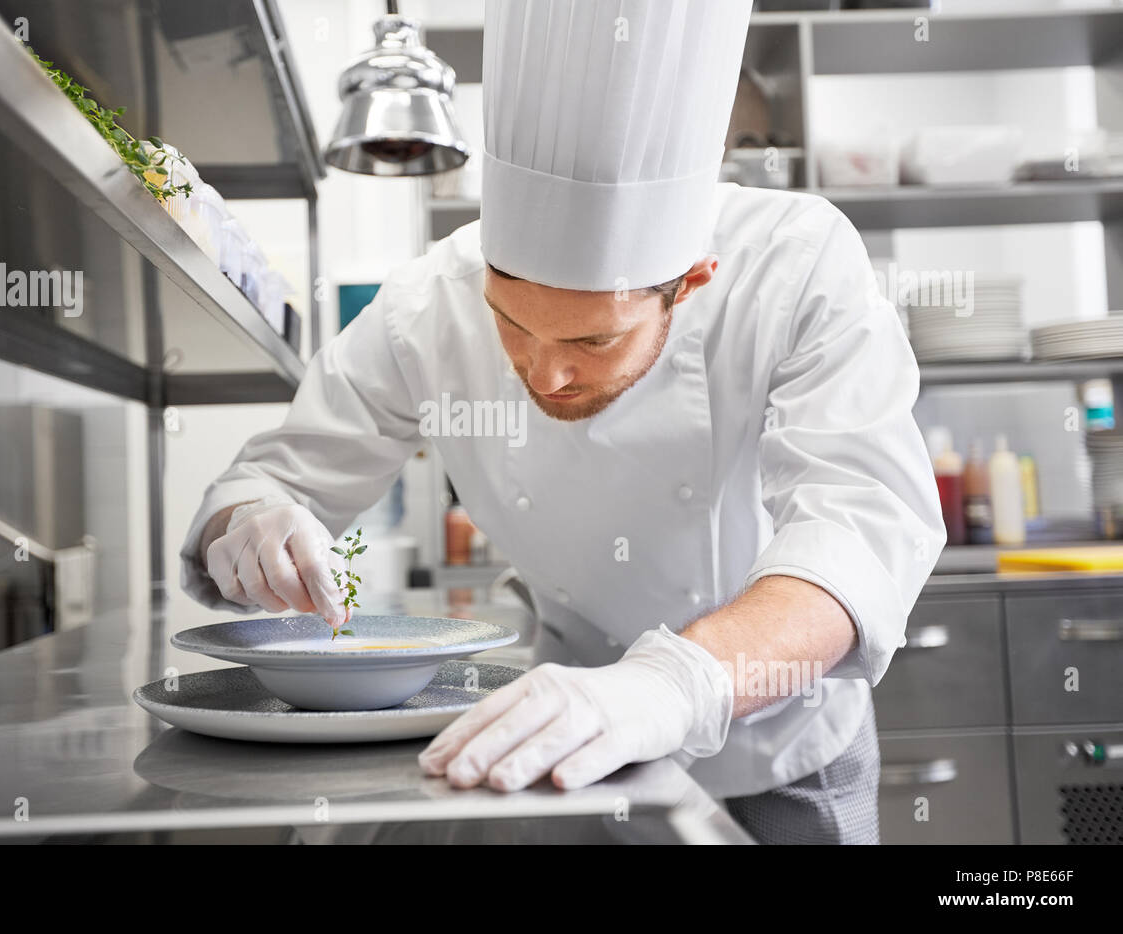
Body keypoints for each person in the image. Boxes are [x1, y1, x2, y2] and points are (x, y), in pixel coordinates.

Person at [180, 0, 945, 845]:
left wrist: (674, 684)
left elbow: (863, 528)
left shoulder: (798, 263)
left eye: (594, 338)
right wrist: (250, 521)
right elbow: (272, 478)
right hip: (565, 733)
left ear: (689, 282)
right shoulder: (426, 303)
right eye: (511, 319)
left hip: (780, 743)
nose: (544, 371)